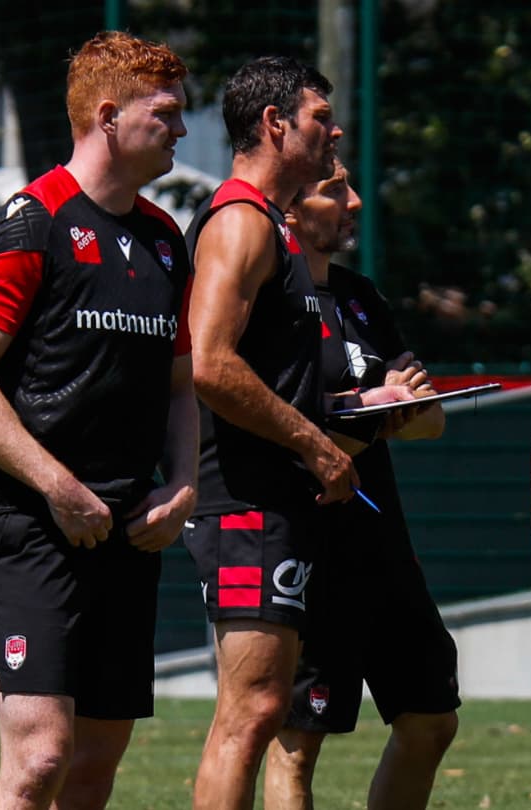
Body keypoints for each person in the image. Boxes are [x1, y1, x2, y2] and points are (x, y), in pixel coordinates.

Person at [0, 31, 195, 809]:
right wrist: (57, 485)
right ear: (108, 116)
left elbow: (180, 385)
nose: (180, 130)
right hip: (29, 526)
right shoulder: (30, 221)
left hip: (126, 530)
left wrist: (181, 484)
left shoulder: (163, 238)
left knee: (94, 763)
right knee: (41, 757)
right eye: (167, 113)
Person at [182, 58, 412, 809]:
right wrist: (315, 445)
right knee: (247, 716)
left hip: (278, 504)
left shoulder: (275, 232)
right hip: (244, 503)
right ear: (275, 125)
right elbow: (211, 366)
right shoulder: (240, 222)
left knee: (263, 710)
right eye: (320, 116)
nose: (334, 129)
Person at [262, 161, 460, 809]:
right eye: (334, 191)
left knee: (432, 719)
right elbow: (287, 428)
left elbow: (428, 418)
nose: (355, 202)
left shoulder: (361, 296)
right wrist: (377, 412)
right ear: (289, 209)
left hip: (382, 545)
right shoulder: (268, 298)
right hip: (309, 543)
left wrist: (382, 410)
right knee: (296, 744)